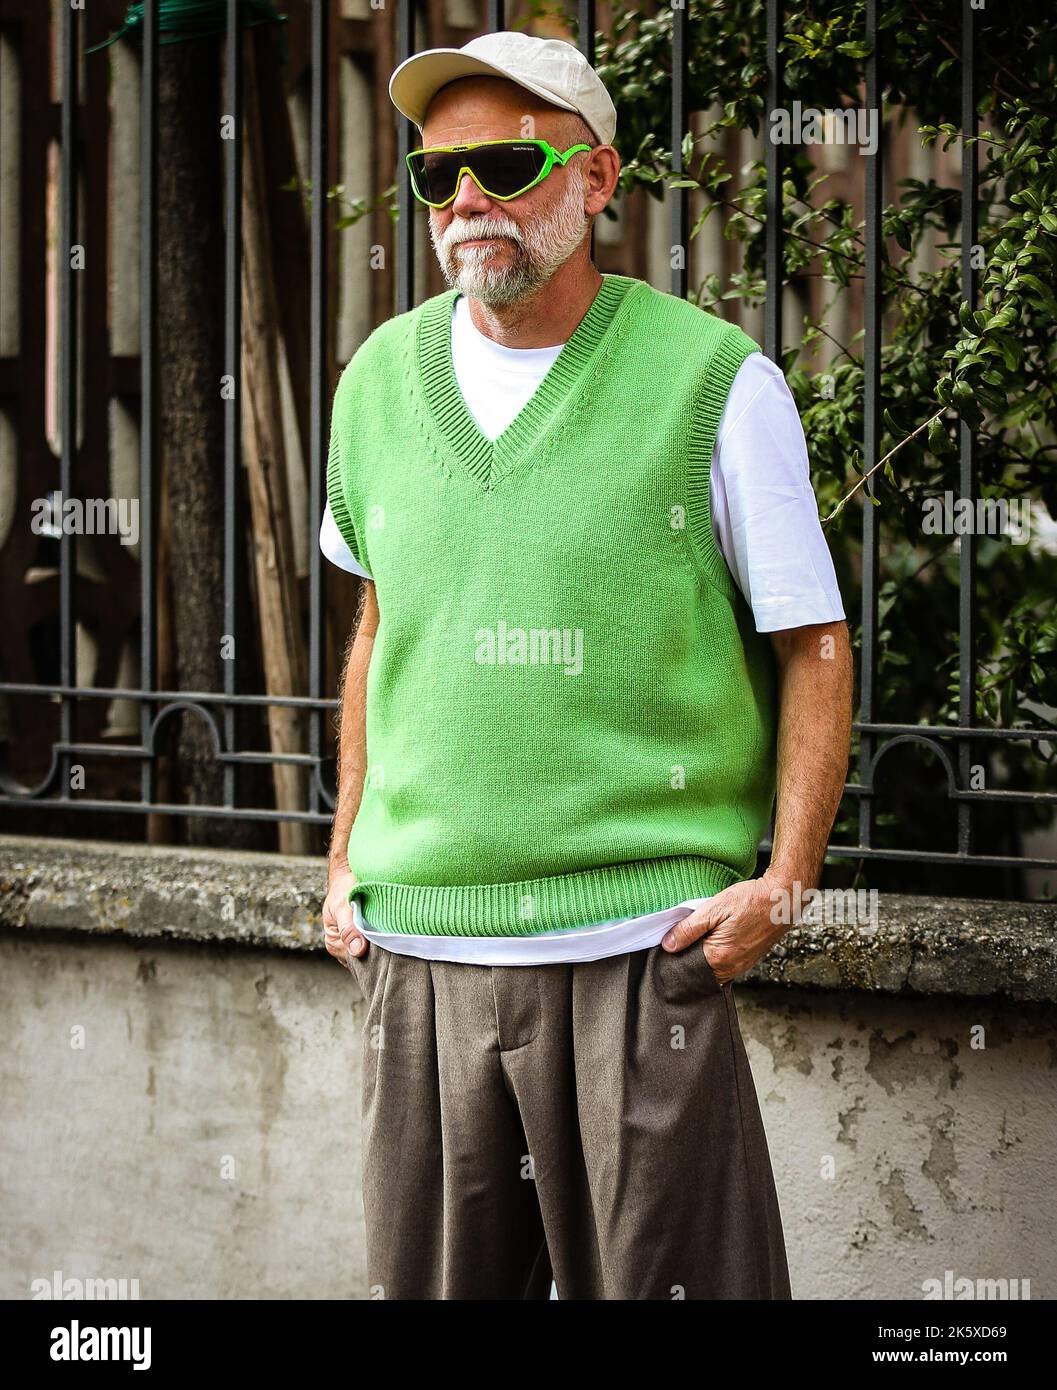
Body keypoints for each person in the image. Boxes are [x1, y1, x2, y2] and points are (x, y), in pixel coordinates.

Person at [320, 30, 852, 1300]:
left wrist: (784, 881)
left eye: (505, 164)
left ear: (598, 178)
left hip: (636, 956)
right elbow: (383, 626)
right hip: (423, 951)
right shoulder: (376, 382)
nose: (464, 205)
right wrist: (341, 857)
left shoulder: (714, 382)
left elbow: (813, 643)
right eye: (435, 177)